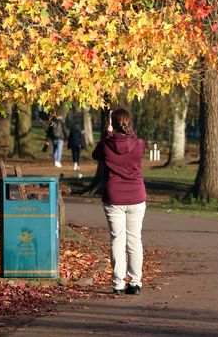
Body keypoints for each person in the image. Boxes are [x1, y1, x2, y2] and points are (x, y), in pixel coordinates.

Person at [92, 108, 147, 295]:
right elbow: (134, 146)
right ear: (129, 124)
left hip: (114, 196)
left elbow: (96, 155)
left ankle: (117, 283)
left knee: (117, 239)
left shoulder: (106, 145)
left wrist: (108, 132)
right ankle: (135, 282)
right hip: (136, 197)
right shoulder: (139, 144)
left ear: (112, 124)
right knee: (134, 240)